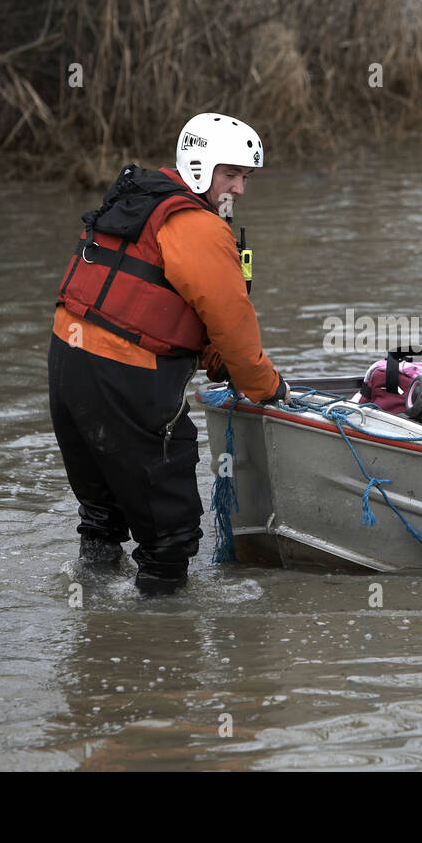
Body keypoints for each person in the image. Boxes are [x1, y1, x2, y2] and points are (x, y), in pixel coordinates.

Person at [49, 112, 287, 594]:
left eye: (246, 177)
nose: (240, 188)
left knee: (102, 516)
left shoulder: (140, 199)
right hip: (125, 379)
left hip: (67, 366)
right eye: (232, 174)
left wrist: (213, 360)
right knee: (170, 537)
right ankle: (163, 644)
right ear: (199, 168)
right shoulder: (196, 227)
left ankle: (94, 620)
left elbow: (147, 307)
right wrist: (269, 388)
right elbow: (232, 323)